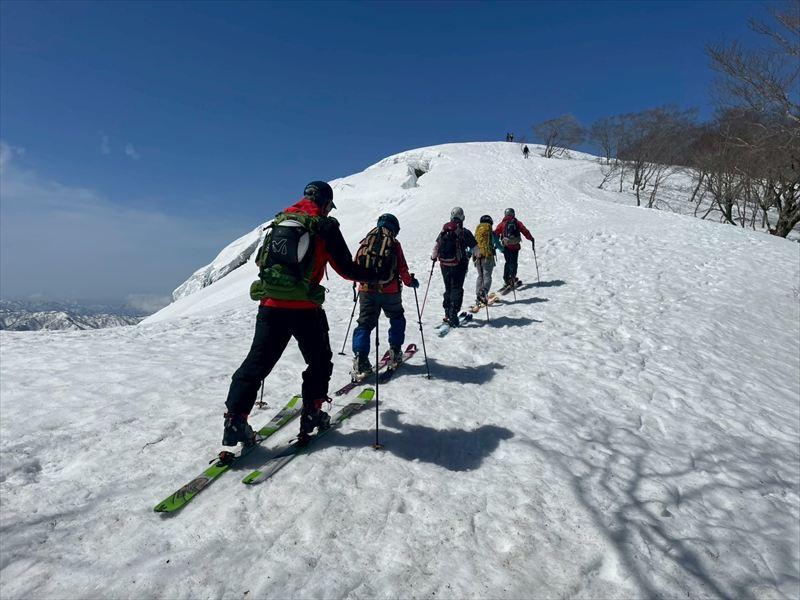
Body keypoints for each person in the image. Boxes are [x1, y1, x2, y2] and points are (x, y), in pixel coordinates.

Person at [223, 181, 387, 447]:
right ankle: (312, 413)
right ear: (325, 203)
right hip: (304, 309)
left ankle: (234, 421)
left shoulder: (282, 219)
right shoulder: (324, 226)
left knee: (256, 364)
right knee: (319, 361)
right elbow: (346, 268)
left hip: (270, 305)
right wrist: (374, 275)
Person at [351, 214, 419, 379]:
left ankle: (360, 358)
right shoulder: (394, 244)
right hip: (390, 291)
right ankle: (395, 351)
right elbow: (402, 267)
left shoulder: (366, 241)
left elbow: (355, 264)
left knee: (365, 323)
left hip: (367, 290)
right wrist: (410, 282)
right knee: (396, 317)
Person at [431, 207, 478, 327]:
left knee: (448, 288)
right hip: (459, 265)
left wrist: (433, 257)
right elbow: (476, 249)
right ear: (462, 217)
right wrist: (478, 255)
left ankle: (447, 312)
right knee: (457, 288)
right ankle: (453, 313)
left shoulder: (444, 231)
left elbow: (436, 246)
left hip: (444, 265)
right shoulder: (464, 232)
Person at [495, 207, 534, 290]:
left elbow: (495, 233)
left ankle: (506, 279)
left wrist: (496, 244)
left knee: (508, 262)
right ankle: (512, 278)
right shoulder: (517, 222)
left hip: (506, 247)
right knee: (514, 263)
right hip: (515, 246)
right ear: (513, 214)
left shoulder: (502, 224)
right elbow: (525, 231)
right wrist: (531, 238)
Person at [473, 215, 502, 306]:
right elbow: (497, 243)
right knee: (487, 275)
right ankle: (484, 292)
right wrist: (503, 249)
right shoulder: (491, 233)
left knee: (480, 276)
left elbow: (473, 244)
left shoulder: (477, 233)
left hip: (477, 257)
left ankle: (478, 295)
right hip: (487, 256)